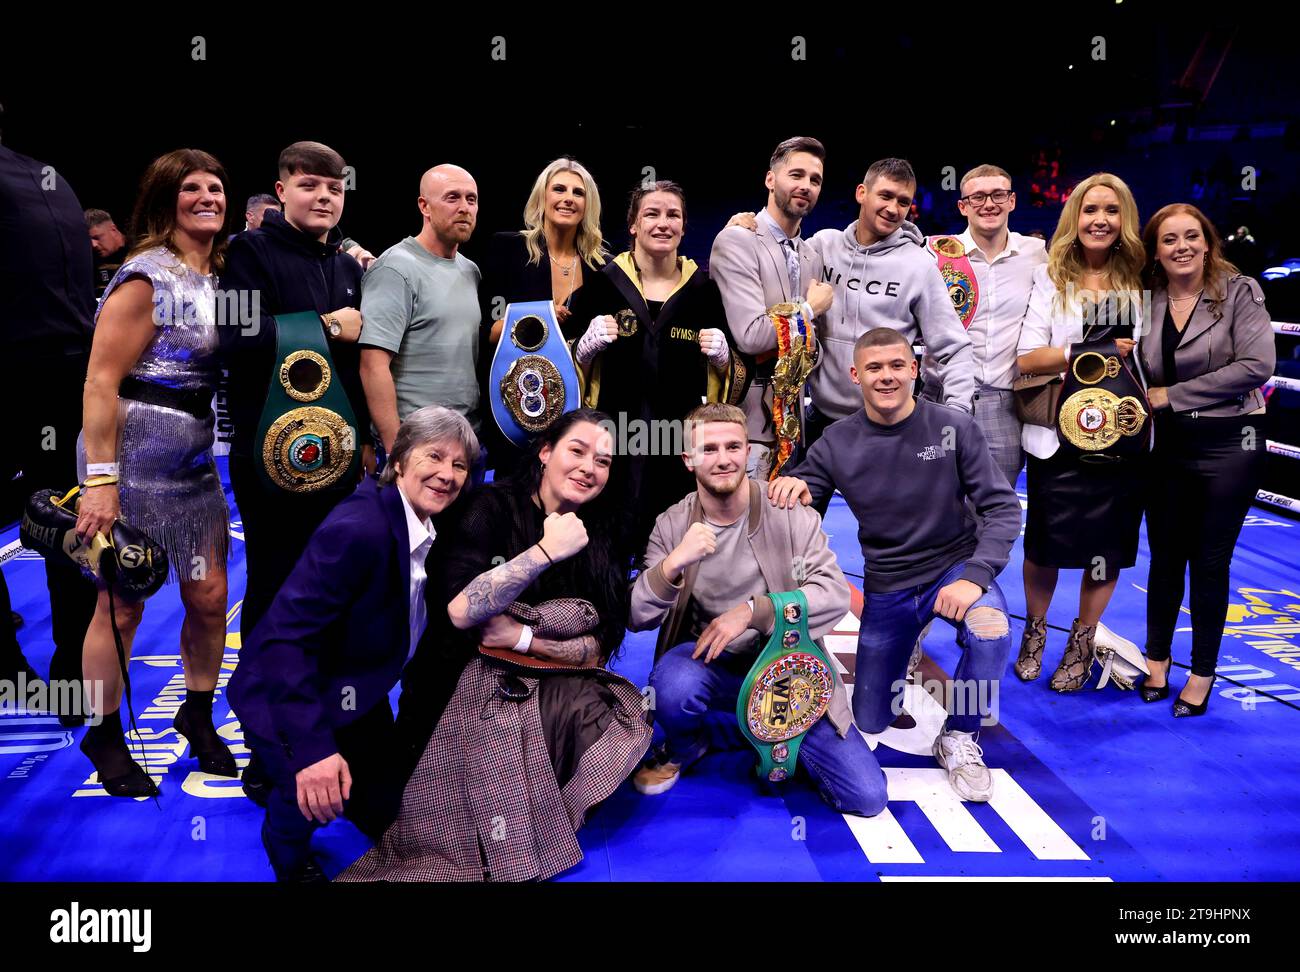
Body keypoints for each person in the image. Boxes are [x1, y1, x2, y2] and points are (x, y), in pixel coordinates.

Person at [338, 410, 652, 882]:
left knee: (610, 711)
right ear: (545, 452)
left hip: (541, 679)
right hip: (453, 681)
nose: (590, 467)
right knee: (388, 812)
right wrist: (545, 552)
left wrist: (525, 635)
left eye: (603, 461)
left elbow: (599, 643)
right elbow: (464, 612)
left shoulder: (602, 529)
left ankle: (536, 805)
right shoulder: (488, 506)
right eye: (578, 451)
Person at [769, 328, 1021, 801]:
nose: (886, 376)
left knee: (990, 628)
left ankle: (960, 736)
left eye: (896, 366)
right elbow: (806, 507)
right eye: (874, 368)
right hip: (888, 586)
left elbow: (1003, 509)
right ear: (855, 375)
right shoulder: (836, 442)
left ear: (914, 369)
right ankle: (905, 644)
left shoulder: (953, 427)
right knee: (870, 718)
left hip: (954, 566)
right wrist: (793, 492)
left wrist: (974, 576)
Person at [229, 406, 478, 882]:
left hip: (354, 691)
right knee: (316, 794)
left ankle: (290, 768)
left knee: (391, 812)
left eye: (460, 464)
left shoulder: (423, 519)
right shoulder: (360, 529)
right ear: (399, 459)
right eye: (434, 457)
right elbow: (283, 644)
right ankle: (283, 829)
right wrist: (312, 750)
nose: (447, 475)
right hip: (285, 697)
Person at [629, 403, 886, 814]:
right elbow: (638, 616)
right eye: (709, 449)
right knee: (672, 687)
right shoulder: (672, 524)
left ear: (748, 451)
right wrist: (672, 563)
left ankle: (758, 729)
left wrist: (755, 610)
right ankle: (690, 742)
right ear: (688, 459)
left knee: (866, 796)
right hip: (710, 664)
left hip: (789, 671)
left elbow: (834, 594)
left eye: (734, 446)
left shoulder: (786, 509)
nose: (724, 459)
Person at [73, 149, 235, 796]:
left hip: (194, 462)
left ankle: (195, 714)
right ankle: (105, 735)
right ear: (165, 199)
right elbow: (100, 381)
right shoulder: (146, 275)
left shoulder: (224, 274)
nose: (207, 197)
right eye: (191, 187)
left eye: (216, 187)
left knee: (210, 595)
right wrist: (101, 479)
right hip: (132, 458)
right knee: (121, 605)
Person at [220, 141, 371, 643]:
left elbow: (354, 370)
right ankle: (263, 707)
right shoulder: (249, 250)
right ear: (282, 191)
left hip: (340, 451)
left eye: (334, 187)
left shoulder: (347, 266)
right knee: (275, 577)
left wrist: (366, 439)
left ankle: (320, 702)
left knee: (334, 577)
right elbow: (239, 335)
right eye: (309, 186)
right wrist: (329, 325)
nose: (324, 197)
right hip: (268, 452)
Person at [727, 158, 976, 452]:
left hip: (885, 424)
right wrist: (744, 231)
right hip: (819, 418)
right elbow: (778, 259)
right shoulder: (823, 245)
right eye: (885, 196)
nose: (893, 208)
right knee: (792, 498)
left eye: (903, 201)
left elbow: (953, 347)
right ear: (861, 193)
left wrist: (958, 414)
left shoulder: (919, 265)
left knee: (887, 501)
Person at [1138, 203, 1275, 716]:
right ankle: (1157, 660)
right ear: (1156, 248)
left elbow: (1257, 364)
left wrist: (1172, 395)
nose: (1182, 247)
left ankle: (1202, 672)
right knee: (1165, 557)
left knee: (1210, 562)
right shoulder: (1145, 297)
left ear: (1208, 241)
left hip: (1229, 440)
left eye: (1191, 236)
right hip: (1165, 444)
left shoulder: (1240, 291)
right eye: (1169, 239)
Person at [1012, 172, 1147, 691]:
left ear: (1123, 220)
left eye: (1111, 210)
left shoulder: (1138, 276)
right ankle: (1035, 634)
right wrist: (1092, 354)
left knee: (1106, 550)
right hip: (1058, 437)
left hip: (1121, 441)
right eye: (1091, 209)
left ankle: (1082, 642)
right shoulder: (1052, 275)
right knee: (1044, 546)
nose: (1100, 220)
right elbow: (1026, 358)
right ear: (1075, 216)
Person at [568, 180, 750, 549]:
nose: (663, 223)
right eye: (651, 214)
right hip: (611, 439)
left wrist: (724, 360)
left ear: (683, 228)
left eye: (673, 215)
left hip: (674, 444)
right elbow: (557, 368)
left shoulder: (705, 291)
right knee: (605, 547)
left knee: (672, 550)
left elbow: (736, 372)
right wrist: (580, 353)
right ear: (633, 225)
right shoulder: (601, 286)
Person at [0, 130, 98, 714]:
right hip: (64, 373)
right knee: (65, 521)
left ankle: (9, 667)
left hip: (17, 367)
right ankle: (74, 675)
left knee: (63, 522)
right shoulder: (49, 174)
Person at [709, 136, 834, 479]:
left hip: (794, 425)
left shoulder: (811, 255)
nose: (805, 186)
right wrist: (809, 310)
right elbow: (751, 336)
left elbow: (814, 349)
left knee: (782, 530)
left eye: (815, 180)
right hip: (744, 423)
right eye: (796, 175)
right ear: (770, 179)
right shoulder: (737, 239)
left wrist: (798, 342)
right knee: (740, 527)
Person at [477, 157, 607, 473]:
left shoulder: (603, 266)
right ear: (543, 197)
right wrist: (538, 319)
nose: (568, 198)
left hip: (577, 412)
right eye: (559, 189)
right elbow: (484, 331)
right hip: (515, 408)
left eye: (578, 192)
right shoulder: (508, 248)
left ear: (588, 204)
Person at [359, 164, 483, 455]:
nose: (465, 208)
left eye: (471, 199)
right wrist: (395, 451)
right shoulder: (394, 268)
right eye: (452, 198)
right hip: (416, 444)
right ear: (424, 206)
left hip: (468, 439)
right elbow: (372, 366)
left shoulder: (470, 270)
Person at [937, 164, 1047, 485]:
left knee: (997, 513)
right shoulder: (937, 255)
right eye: (978, 197)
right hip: (942, 398)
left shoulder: (1036, 253)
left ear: (1012, 201)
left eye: (998, 195)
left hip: (1004, 403)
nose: (989, 204)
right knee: (938, 510)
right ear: (963, 206)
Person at [84, 208, 129, 300]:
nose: (93, 245)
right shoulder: (91, 262)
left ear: (113, 229)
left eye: (96, 237)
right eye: (89, 240)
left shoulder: (141, 253)